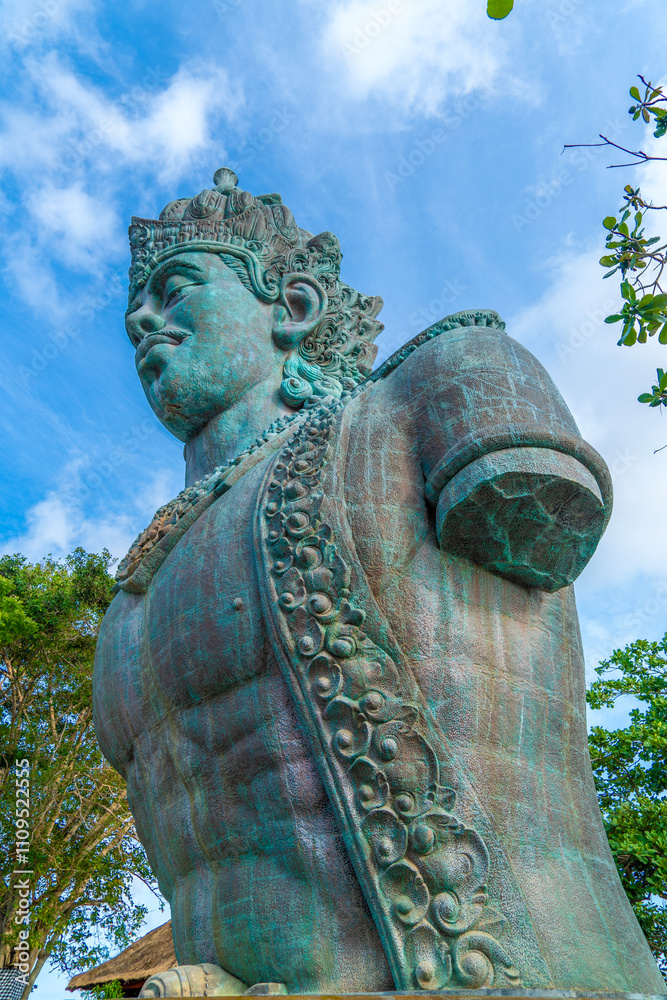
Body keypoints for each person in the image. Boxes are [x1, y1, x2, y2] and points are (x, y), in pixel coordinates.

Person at [93, 168, 665, 997]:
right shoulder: (131, 600)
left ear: (293, 308)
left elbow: (544, 532)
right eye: (134, 309)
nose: (143, 321)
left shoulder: (430, 388)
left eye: (176, 289)